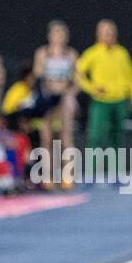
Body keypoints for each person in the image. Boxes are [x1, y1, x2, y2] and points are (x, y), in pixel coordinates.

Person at [75, 21, 132, 170]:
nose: (109, 35)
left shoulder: (122, 53)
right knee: (96, 136)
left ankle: (116, 171)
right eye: (105, 32)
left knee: (118, 136)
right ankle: (91, 172)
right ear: (98, 34)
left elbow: (130, 75)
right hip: (101, 102)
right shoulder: (92, 53)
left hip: (120, 101)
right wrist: (92, 88)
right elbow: (78, 74)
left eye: (111, 32)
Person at [33, 19, 78, 159]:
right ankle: (48, 176)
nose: (59, 38)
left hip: (65, 98)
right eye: (56, 34)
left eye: (62, 34)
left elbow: (78, 80)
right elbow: (38, 76)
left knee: (66, 138)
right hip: (48, 99)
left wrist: (68, 92)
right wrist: (50, 89)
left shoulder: (71, 54)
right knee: (47, 139)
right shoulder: (42, 53)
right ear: (49, 36)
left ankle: (67, 177)